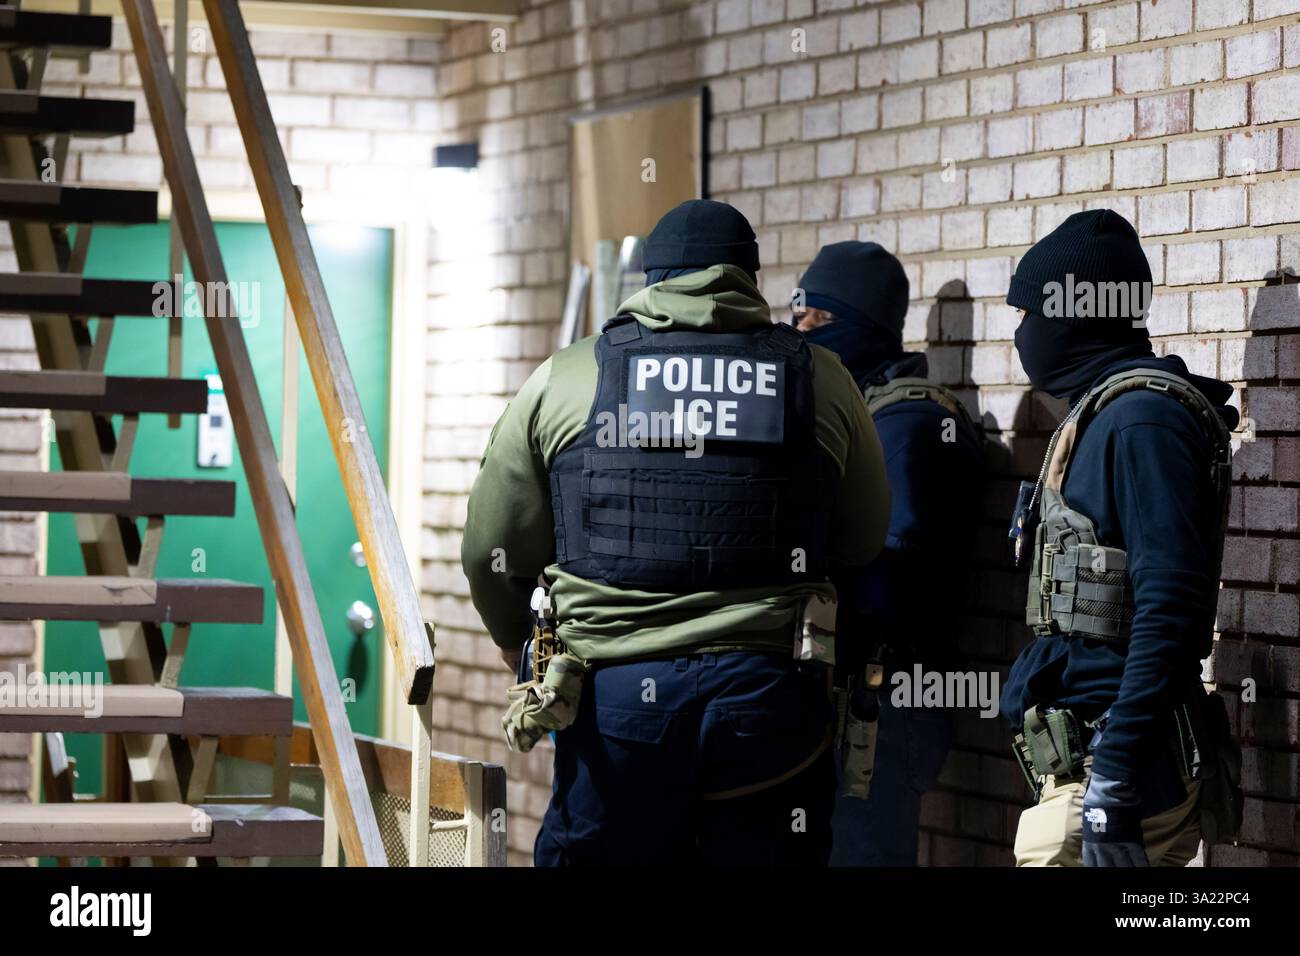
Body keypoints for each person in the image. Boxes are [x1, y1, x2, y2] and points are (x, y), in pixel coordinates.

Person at [461, 200, 891, 866]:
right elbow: (863, 540)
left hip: (613, 702)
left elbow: (489, 552)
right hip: (770, 700)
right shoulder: (822, 378)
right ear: (749, 276)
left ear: (649, 277)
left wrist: (521, 642)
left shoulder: (570, 375)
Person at [999, 209, 1242, 867]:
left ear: (1075, 312)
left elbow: (1168, 604)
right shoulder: (1106, 413)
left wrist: (1115, 775)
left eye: (1029, 313)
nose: (1020, 333)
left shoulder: (1142, 422)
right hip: (1093, 765)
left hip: (1120, 768)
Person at [792, 242, 983, 866]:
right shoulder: (859, 412)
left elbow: (896, 586)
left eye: (816, 319)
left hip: (886, 702)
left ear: (861, 325)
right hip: (849, 694)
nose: (800, 332)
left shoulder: (913, 426)